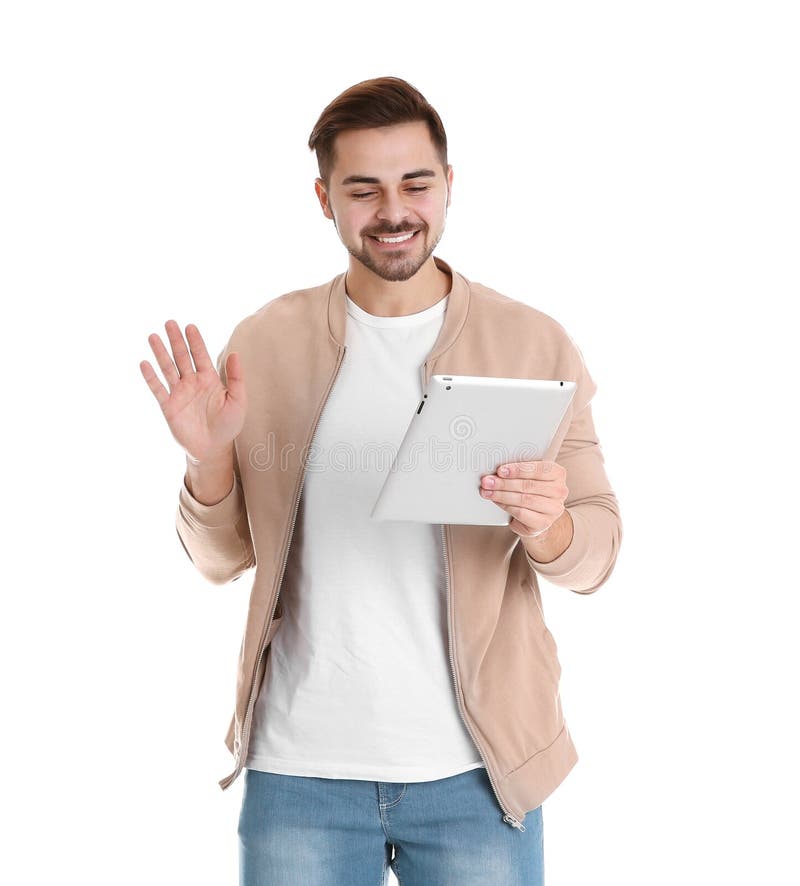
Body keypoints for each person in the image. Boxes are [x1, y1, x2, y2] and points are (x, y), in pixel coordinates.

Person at [140, 76, 623, 886]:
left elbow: (598, 552)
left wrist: (551, 526)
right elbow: (219, 561)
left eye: (415, 184)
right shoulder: (264, 342)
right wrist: (207, 460)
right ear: (324, 198)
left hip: (481, 773)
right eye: (363, 190)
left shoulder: (532, 343)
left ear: (449, 186)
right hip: (300, 774)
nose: (393, 211)